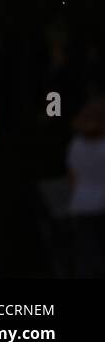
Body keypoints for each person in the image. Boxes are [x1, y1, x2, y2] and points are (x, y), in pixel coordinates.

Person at [66, 97, 105, 278]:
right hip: (100, 205)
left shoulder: (75, 145)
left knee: (85, 257)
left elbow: (73, 179)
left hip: (81, 204)